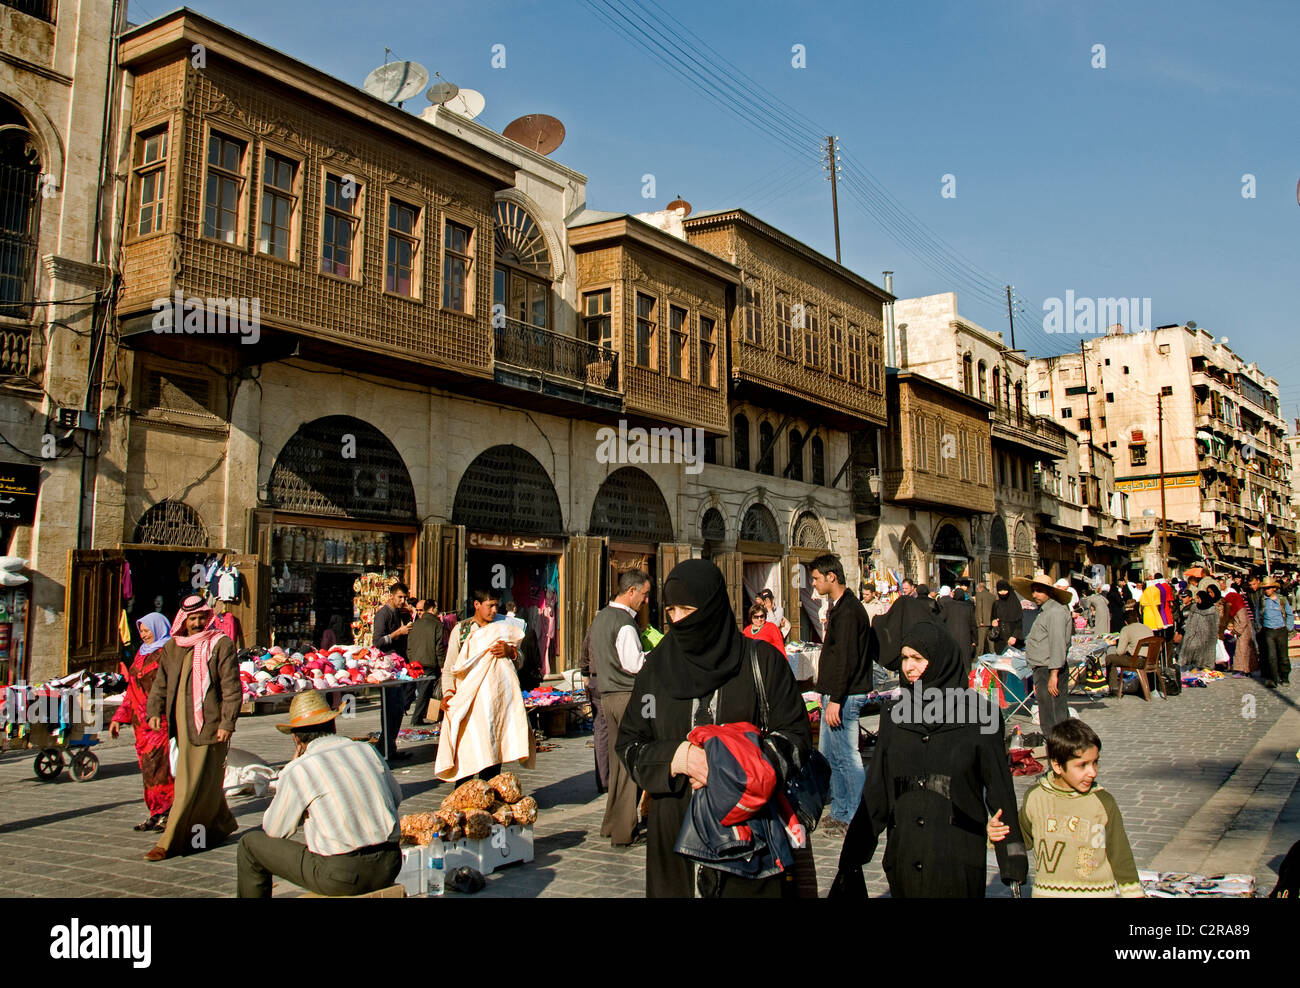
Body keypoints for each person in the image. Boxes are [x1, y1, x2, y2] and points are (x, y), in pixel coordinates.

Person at [616, 559, 812, 898]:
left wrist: (727, 765)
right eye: (671, 610)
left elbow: (795, 739)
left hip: (749, 842)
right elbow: (632, 743)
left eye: (686, 609)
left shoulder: (761, 663)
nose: (676, 620)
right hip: (672, 838)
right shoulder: (656, 672)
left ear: (711, 608)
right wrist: (678, 758)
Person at [834, 620, 1028, 898]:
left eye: (917, 659)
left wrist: (1012, 863)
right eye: (904, 658)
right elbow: (878, 789)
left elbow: (1000, 792)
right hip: (905, 856)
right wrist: (854, 854)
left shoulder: (980, 716)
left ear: (940, 661)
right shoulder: (895, 715)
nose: (908, 667)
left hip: (957, 859)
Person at [236, 690, 402, 898]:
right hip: (391, 864)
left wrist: (290, 773)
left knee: (250, 845)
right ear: (333, 725)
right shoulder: (366, 750)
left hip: (342, 875)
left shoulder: (299, 768)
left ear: (296, 739)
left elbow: (274, 830)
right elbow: (396, 798)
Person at [144, 595, 240, 861]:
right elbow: (161, 683)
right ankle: (220, 825)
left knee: (194, 782)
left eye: (200, 618)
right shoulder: (174, 647)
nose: (197, 623)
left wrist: (227, 722)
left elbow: (231, 687)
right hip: (182, 725)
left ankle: (169, 841)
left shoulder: (220, 644)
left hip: (209, 724)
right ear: (183, 621)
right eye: (192, 619)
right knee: (203, 780)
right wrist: (154, 711)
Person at [1018, 718, 1142, 897]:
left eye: (1095, 762)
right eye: (1082, 765)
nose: (1092, 772)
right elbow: (1021, 838)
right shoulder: (1035, 798)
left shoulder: (1103, 802)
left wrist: (1134, 893)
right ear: (1057, 765)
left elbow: (1120, 855)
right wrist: (995, 832)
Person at [808, 553, 872, 838]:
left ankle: (855, 814)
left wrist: (836, 698)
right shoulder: (840, 607)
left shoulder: (848, 610)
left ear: (831, 576)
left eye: (816, 578)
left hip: (846, 695)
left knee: (847, 755)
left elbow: (846, 656)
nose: (814, 584)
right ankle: (841, 810)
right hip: (836, 693)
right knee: (832, 756)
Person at [436, 589, 527, 786]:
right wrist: (448, 693)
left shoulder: (503, 629)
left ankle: (489, 801)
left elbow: (520, 660)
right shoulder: (461, 631)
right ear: (477, 605)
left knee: (492, 752)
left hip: (494, 703)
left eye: (496, 606)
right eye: (489, 606)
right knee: (467, 754)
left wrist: (510, 651)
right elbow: (450, 666)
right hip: (468, 701)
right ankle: (465, 799)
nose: (494, 610)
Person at [591, 570, 651, 847]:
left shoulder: (601, 617)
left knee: (617, 763)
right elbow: (634, 664)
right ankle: (625, 830)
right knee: (629, 762)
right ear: (631, 592)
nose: (645, 600)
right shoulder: (625, 624)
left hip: (606, 697)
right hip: (626, 695)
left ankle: (611, 822)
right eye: (644, 594)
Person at [111, 612, 175, 832]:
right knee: (148, 769)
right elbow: (131, 690)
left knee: (161, 768)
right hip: (140, 725)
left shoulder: (168, 651)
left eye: (148, 630)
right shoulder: (141, 653)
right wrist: (119, 717)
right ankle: (155, 812)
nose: (144, 634)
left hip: (159, 721)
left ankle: (169, 812)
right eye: (142, 630)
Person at [1013, 572, 1072, 734]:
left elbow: (1058, 643)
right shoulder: (1044, 611)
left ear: (1050, 592)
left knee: (1054, 715)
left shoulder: (1055, 612)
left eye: (1039, 591)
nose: (1034, 595)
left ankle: (1059, 747)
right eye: (1033, 591)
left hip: (1050, 669)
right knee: (1046, 712)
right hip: (1042, 669)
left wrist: (1054, 674)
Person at [407, 598, 447, 726]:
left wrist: (411, 659)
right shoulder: (437, 625)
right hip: (429, 662)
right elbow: (439, 647)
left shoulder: (416, 623)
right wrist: (442, 664)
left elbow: (409, 644)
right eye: (436, 608)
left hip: (415, 662)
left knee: (421, 690)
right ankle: (417, 718)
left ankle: (421, 715)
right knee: (425, 691)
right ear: (432, 609)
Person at [1106, 603, 1158, 695]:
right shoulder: (1147, 628)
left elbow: (1119, 652)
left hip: (1137, 661)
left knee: (1110, 658)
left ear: (1126, 622)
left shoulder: (1126, 629)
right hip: (1151, 660)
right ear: (1137, 619)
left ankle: (1113, 688)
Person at [579, 626, 608, 795]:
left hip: (596, 681)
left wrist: (585, 674)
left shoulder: (594, 627)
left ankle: (603, 780)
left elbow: (584, 655)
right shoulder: (622, 623)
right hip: (613, 682)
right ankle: (613, 779)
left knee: (601, 731)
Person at [1254, 577, 1294, 689]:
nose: (1266, 590)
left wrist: (1288, 627)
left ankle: (1285, 676)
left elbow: (1289, 614)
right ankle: (1272, 678)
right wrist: (1260, 627)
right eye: (1265, 588)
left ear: (1274, 588)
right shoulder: (1262, 600)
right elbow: (1257, 615)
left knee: (1283, 656)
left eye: (1269, 588)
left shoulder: (1282, 599)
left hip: (1281, 630)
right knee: (1271, 656)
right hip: (1268, 631)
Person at [1178, 588, 1220, 672]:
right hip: (1194, 633)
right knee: (1191, 649)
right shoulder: (1195, 607)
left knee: (1206, 652)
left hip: (1207, 635)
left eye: (1199, 598)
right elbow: (1190, 620)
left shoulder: (1212, 609)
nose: (1198, 600)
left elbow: (1216, 623)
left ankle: (1205, 667)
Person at [1223, 585, 1259, 677]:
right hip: (1243, 632)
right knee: (1244, 651)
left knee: (1242, 651)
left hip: (1244, 632)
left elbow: (1243, 621)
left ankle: (1242, 670)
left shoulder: (1240, 608)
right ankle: (1245, 669)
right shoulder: (1237, 607)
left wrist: (1235, 631)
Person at [938, 584, 977, 668]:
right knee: (965, 662)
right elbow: (973, 625)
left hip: (952, 637)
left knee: (953, 661)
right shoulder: (968, 608)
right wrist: (974, 640)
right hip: (965, 639)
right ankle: (966, 679)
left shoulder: (948, 606)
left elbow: (940, 620)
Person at [990, 580, 1023, 654]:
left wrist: (1015, 636)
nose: (1002, 593)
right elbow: (992, 618)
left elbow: (1020, 622)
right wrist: (993, 623)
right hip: (1000, 640)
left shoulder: (1015, 604)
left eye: (1004, 590)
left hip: (1014, 640)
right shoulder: (996, 604)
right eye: (1000, 590)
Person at [974, 581, 995, 656]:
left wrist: (980, 621)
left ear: (979, 588)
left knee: (980, 643)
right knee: (991, 642)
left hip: (982, 623)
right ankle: (994, 655)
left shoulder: (979, 595)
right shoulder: (992, 596)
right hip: (991, 622)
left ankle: (978, 658)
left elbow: (979, 608)